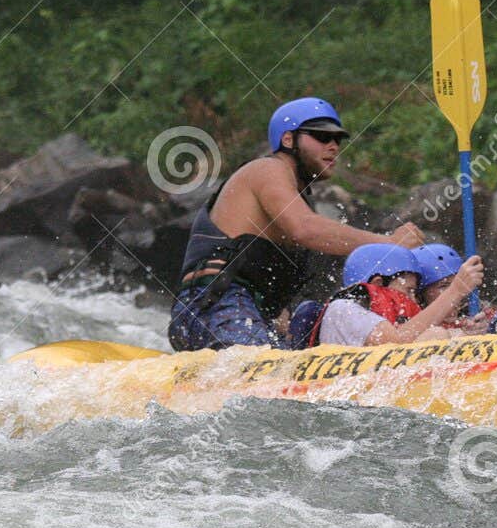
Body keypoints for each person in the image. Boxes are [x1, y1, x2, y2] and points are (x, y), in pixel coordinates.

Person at [168, 97, 422, 351]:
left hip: (251, 314)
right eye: (322, 137)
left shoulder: (298, 200)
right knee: (264, 373)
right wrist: (388, 243)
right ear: (288, 140)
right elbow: (304, 228)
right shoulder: (267, 169)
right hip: (212, 304)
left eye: (337, 140)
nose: (333, 146)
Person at [309, 244, 484, 347]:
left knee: (452, 335)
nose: (413, 300)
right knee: (435, 335)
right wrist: (456, 290)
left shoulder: (375, 317)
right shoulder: (343, 308)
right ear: (378, 284)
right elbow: (395, 344)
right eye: (409, 290)